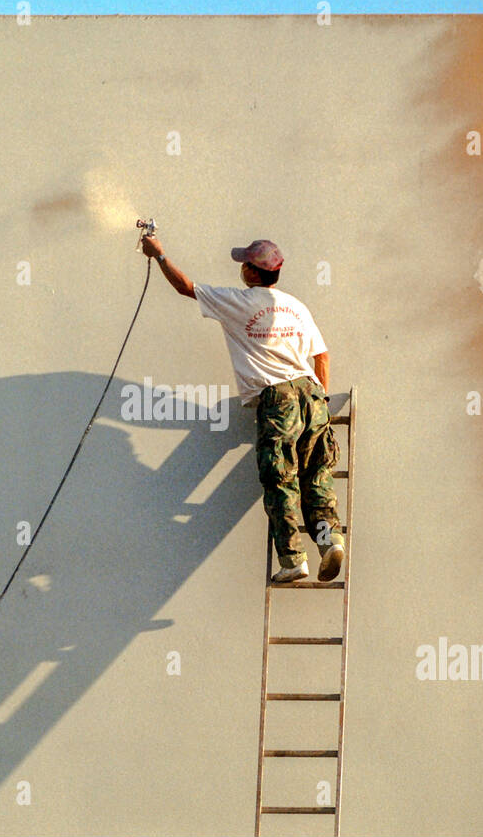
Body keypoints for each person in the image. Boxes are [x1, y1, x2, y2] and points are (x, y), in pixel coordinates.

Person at [140, 233, 345, 583]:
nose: (241, 269)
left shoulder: (239, 301)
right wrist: (322, 405)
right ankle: (329, 543)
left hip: (278, 398)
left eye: (244, 264)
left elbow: (186, 287)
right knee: (316, 480)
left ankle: (294, 558)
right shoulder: (296, 306)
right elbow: (321, 356)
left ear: (253, 272)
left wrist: (159, 255)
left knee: (280, 480)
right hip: (312, 395)